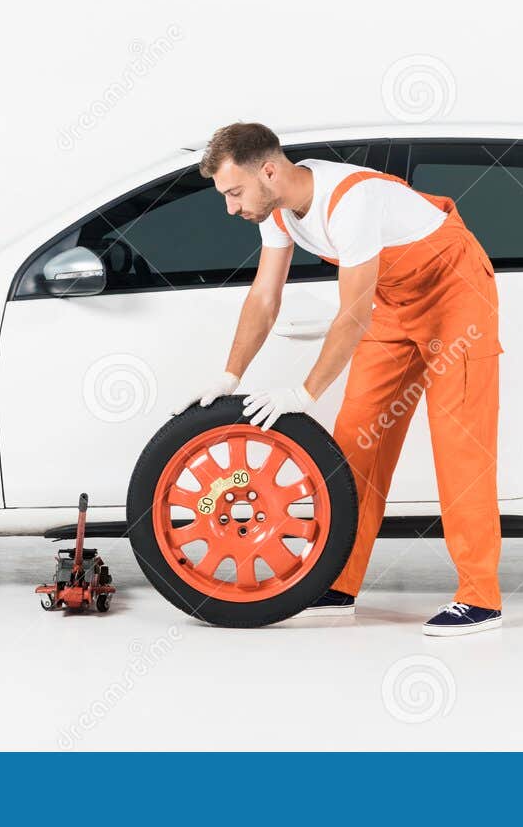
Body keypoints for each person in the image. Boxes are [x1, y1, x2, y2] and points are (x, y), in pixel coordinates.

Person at [176, 122, 504, 635]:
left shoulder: (352, 201)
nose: (231, 208)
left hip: (455, 296)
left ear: (269, 170)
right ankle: (338, 582)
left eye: (234, 192)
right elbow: (265, 297)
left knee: (459, 443)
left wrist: (304, 393)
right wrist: (229, 374)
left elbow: (353, 314)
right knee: (356, 444)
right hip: (393, 304)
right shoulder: (278, 211)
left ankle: (480, 597)